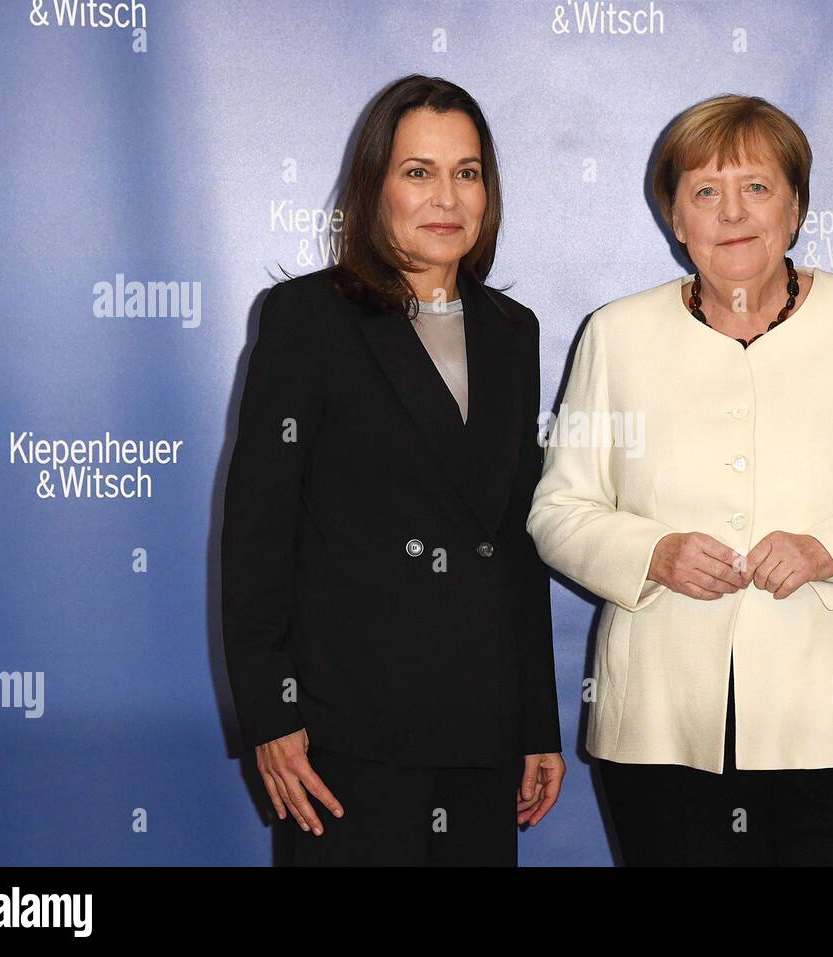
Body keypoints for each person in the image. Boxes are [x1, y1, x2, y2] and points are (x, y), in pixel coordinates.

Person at [526, 94, 833, 866]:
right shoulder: (617, 334)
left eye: (758, 187)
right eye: (704, 191)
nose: (732, 212)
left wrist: (828, 548)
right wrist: (653, 552)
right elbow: (558, 511)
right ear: (676, 218)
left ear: (795, 205)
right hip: (667, 733)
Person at [221, 75, 564, 866]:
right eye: (419, 171)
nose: (447, 196)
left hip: (481, 732)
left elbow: (515, 542)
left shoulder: (514, 331)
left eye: (467, 171)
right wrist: (273, 715)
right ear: (374, 186)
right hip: (346, 740)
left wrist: (536, 724)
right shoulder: (308, 319)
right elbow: (256, 538)